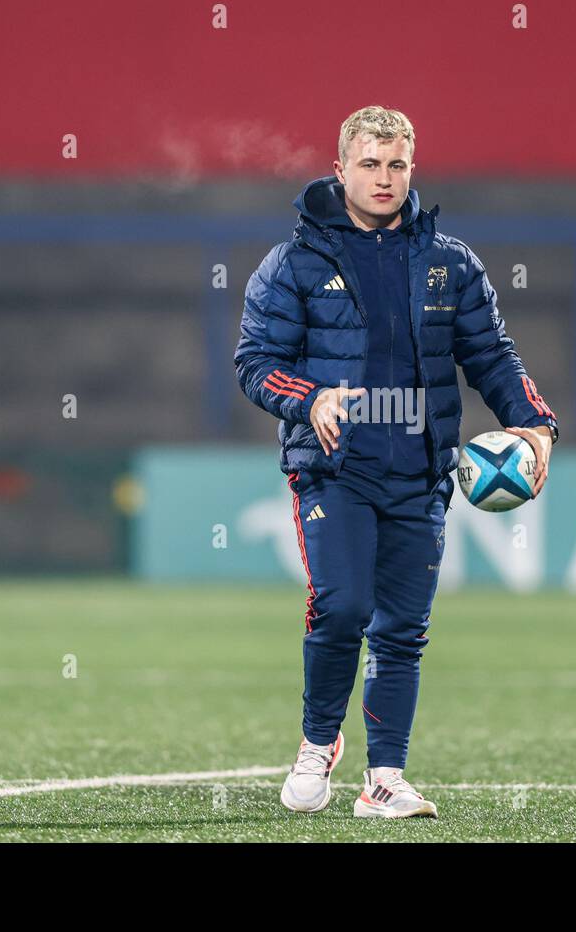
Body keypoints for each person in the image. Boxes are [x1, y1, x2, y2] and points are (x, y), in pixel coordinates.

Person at [233, 106, 558, 819]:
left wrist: (533, 425)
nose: (385, 178)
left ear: (414, 168)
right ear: (341, 167)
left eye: (398, 165)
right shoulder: (293, 263)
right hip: (334, 467)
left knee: (403, 629)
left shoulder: (449, 261)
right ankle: (319, 742)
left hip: (421, 470)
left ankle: (385, 779)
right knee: (343, 606)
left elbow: (491, 356)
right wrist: (310, 397)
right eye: (370, 164)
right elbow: (255, 363)